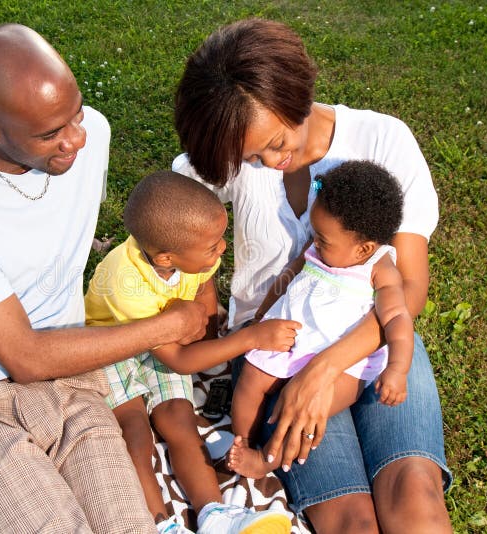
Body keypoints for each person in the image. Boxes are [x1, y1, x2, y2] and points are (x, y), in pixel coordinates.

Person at [0, 24, 211, 533]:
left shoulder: (92, 138)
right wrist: (166, 327)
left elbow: (54, 229)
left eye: (77, 113)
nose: (77, 139)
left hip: (78, 386)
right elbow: (24, 357)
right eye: (50, 134)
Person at [172, 18, 453, 534]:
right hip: (274, 349)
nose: (270, 163)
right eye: (253, 156)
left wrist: (324, 369)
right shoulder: (232, 153)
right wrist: (207, 303)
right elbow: (177, 220)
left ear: (297, 93)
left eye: (277, 142)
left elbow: (409, 288)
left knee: (415, 493)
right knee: (351, 520)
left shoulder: (383, 140)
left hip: (374, 345)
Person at [84, 170, 297, 534]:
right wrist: (251, 338)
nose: (222, 251)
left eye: (220, 240)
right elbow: (178, 360)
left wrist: (210, 343)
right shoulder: (126, 284)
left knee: (181, 421)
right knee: (135, 431)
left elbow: (204, 292)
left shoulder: (195, 255)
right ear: (166, 258)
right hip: (112, 345)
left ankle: (214, 514)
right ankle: (160, 524)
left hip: (163, 340)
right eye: (213, 247)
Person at [228, 160, 413, 480]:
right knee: (251, 378)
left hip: (344, 364)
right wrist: (263, 312)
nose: (314, 242)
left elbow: (396, 317)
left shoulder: (378, 268)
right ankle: (242, 439)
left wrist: (398, 367)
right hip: (293, 339)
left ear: (363, 249)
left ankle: (266, 459)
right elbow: (289, 276)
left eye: (323, 240)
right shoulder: (318, 248)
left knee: (303, 420)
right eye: (315, 234)